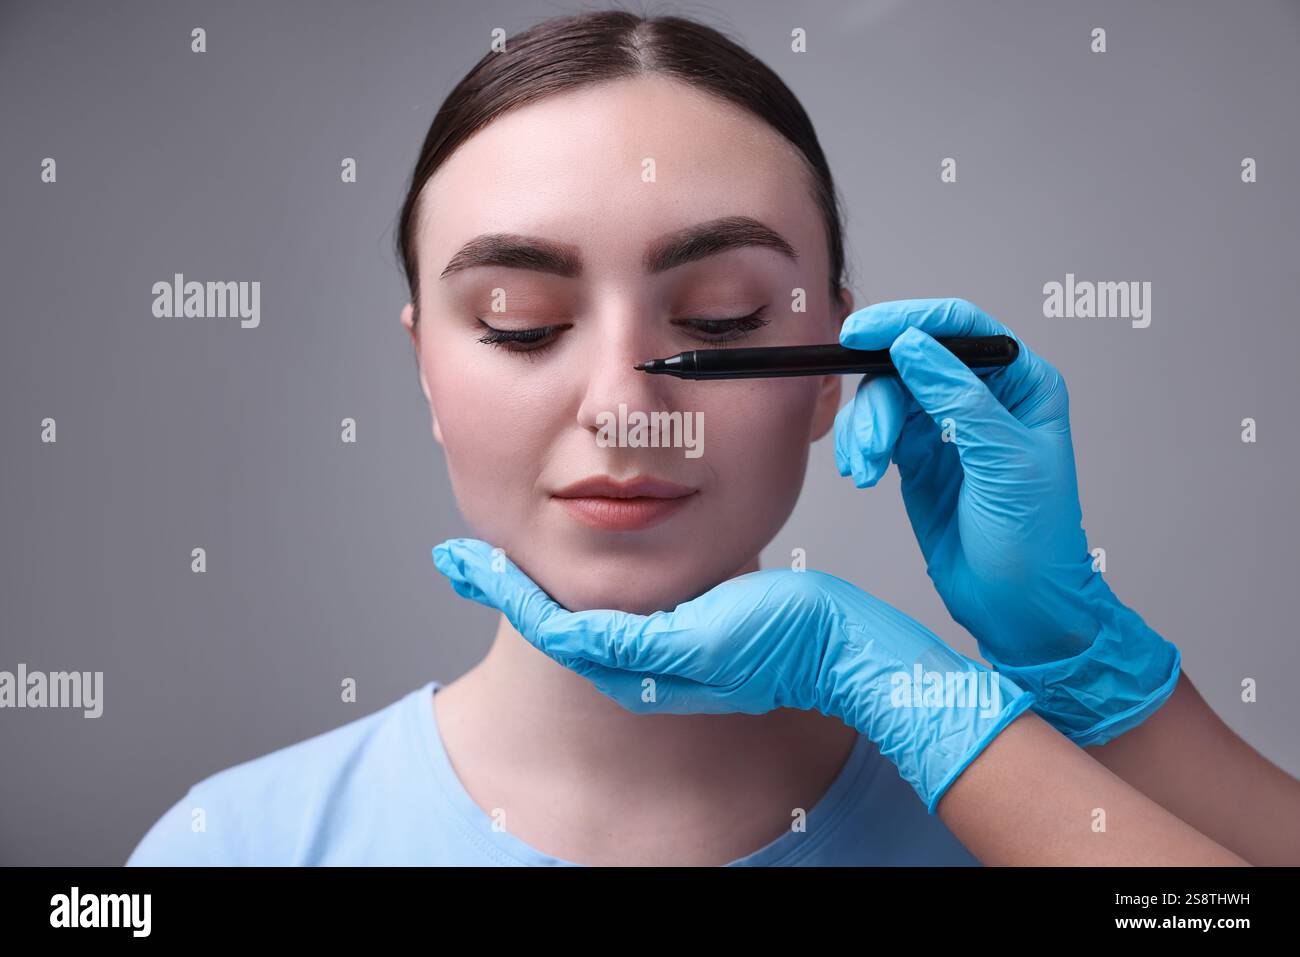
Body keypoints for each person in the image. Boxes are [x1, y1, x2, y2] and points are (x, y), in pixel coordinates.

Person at [127, 9, 1298, 867]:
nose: (622, 405)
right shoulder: (232, 847)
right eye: (519, 325)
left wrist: (1085, 667)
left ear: (837, 369)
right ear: (425, 365)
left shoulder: (1059, 829)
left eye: (725, 319)